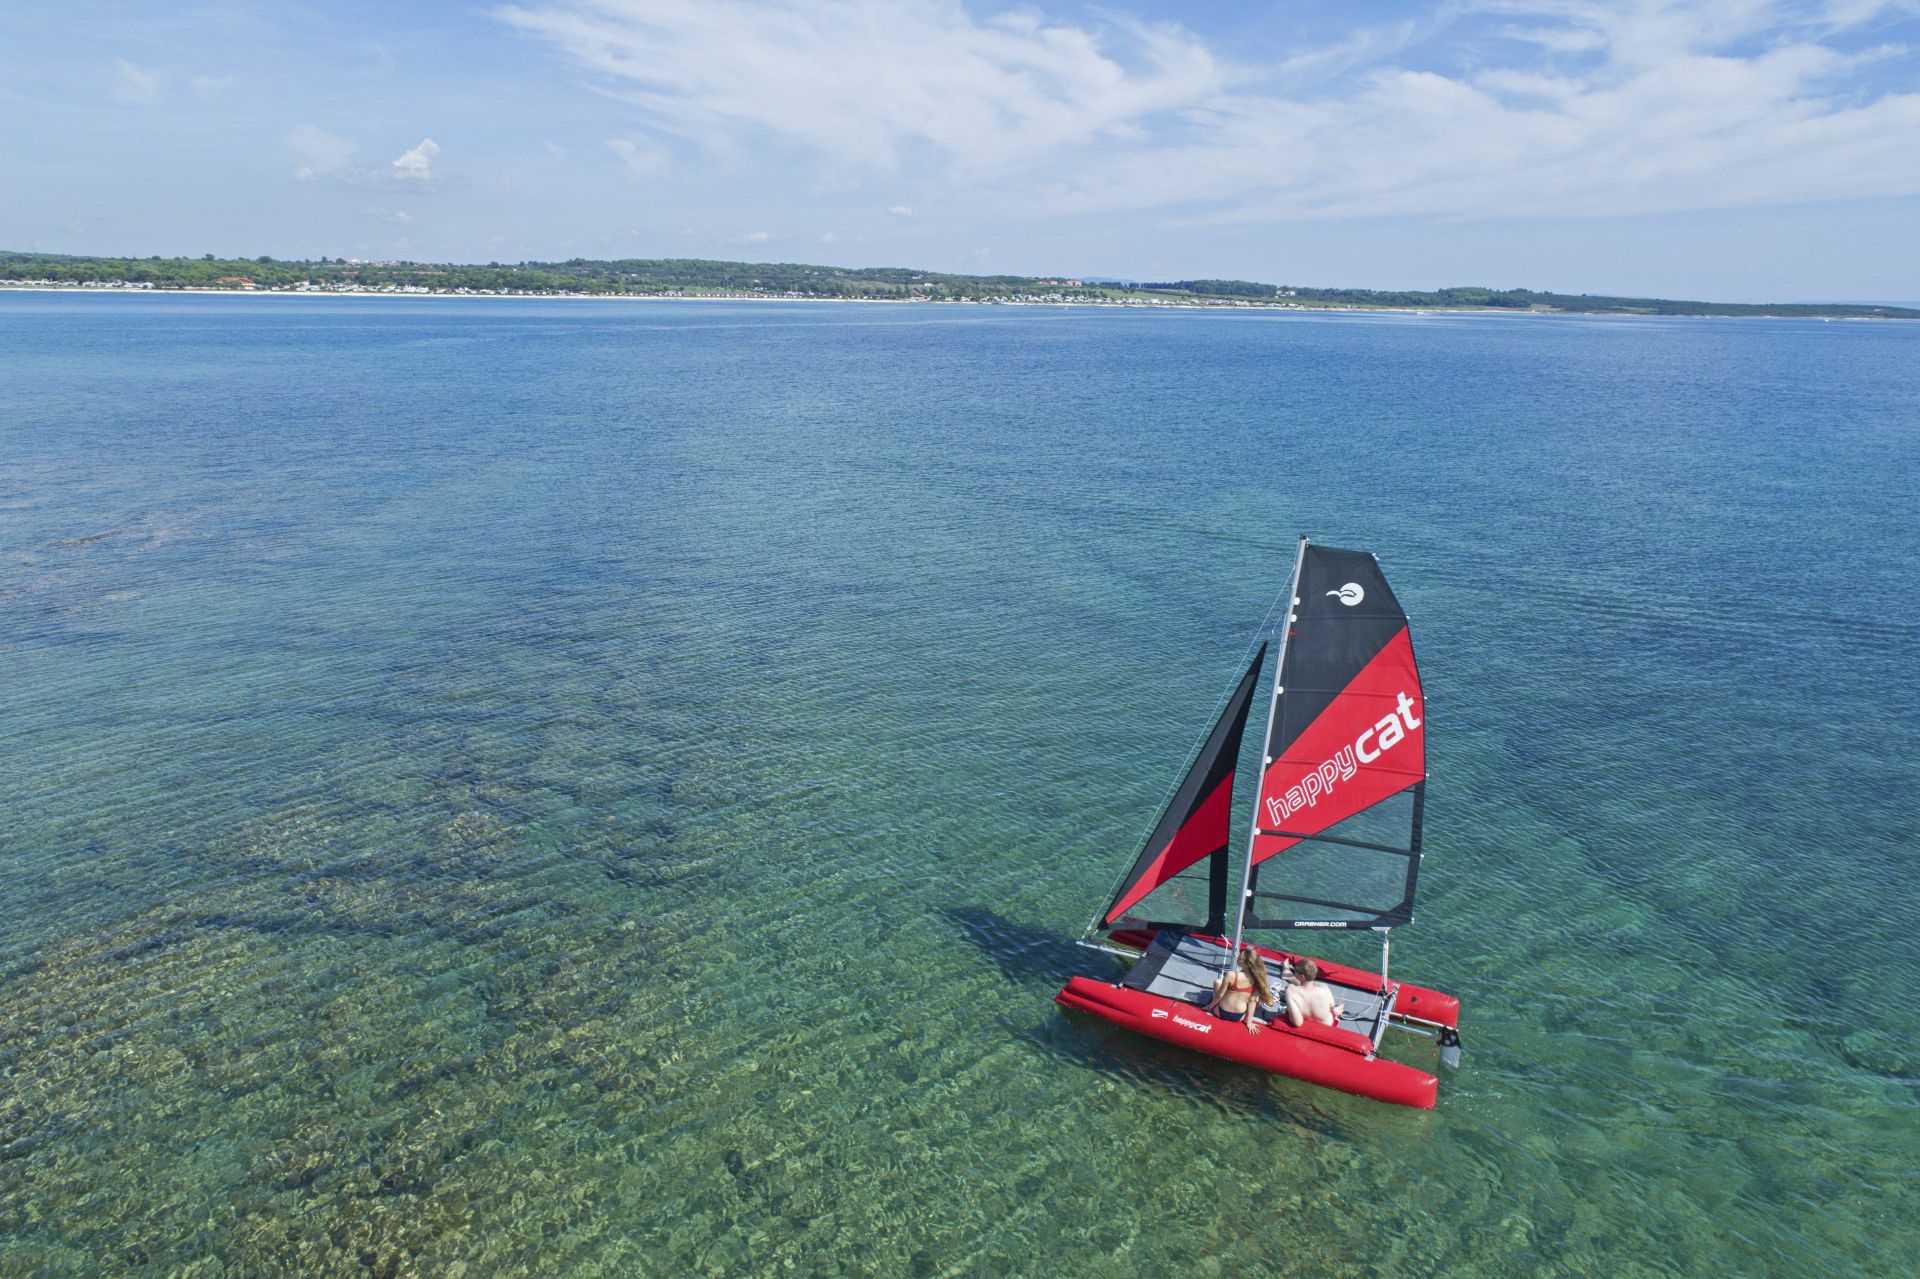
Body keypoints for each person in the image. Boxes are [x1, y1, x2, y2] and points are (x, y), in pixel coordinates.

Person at [1205, 945, 1275, 1034]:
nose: (1237, 958)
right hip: (1238, 1017)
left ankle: (1213, 1007)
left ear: (1244, 963)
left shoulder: (1231, 975)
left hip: (1220, 1012)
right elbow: (1252, 1002)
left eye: (1240, 958)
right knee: (1255, 999)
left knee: (1217, 982)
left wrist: (1210, 1007)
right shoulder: (1258, 980)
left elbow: (1219, 996)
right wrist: (1249, 1022)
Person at [1282, 957, 1346, 1028]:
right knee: (1329, 1010)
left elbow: (1297, 1023)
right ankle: (1336, 1011)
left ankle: (1287, 974)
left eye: (1295, 971)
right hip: (1327, 1025)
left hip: (1309, 1026)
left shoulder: (1291, 991)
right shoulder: (1324, 989)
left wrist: (1289, 996)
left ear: (1302, 976)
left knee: (1290, 1009)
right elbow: (1332, 1006)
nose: (1295, 973)